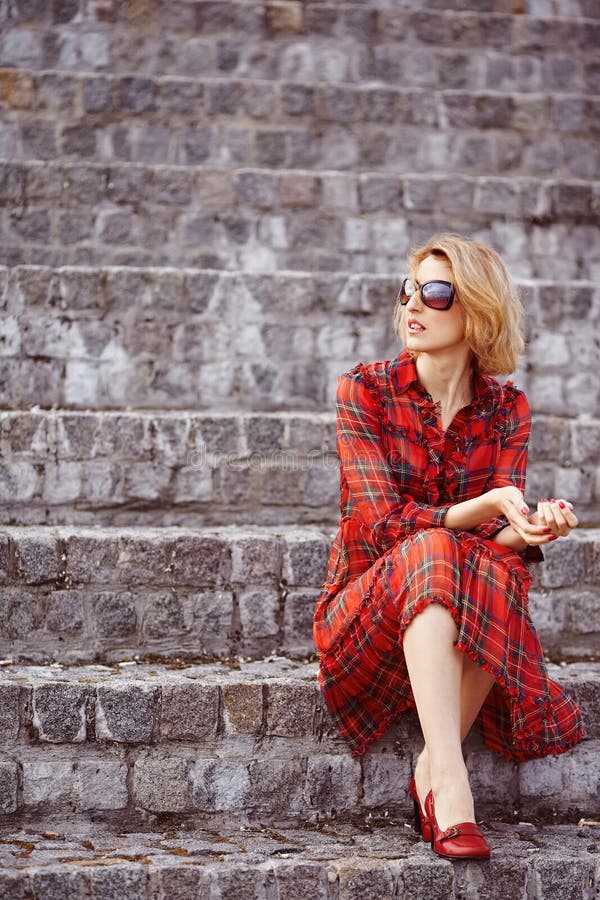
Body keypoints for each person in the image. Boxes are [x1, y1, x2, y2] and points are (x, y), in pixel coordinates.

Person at [312, 233, 584, 861]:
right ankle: (450, 779)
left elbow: (497, 537)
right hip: (364, 618)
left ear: (478, 310)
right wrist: (487, 506)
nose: (413, 304)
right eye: (408, 289)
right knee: (434, 547)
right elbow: (382, 526)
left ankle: (430, 771)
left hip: (456, 625)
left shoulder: (507, 408)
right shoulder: (365, 391)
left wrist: (531, 525)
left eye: (435, 292)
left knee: (506, 560)